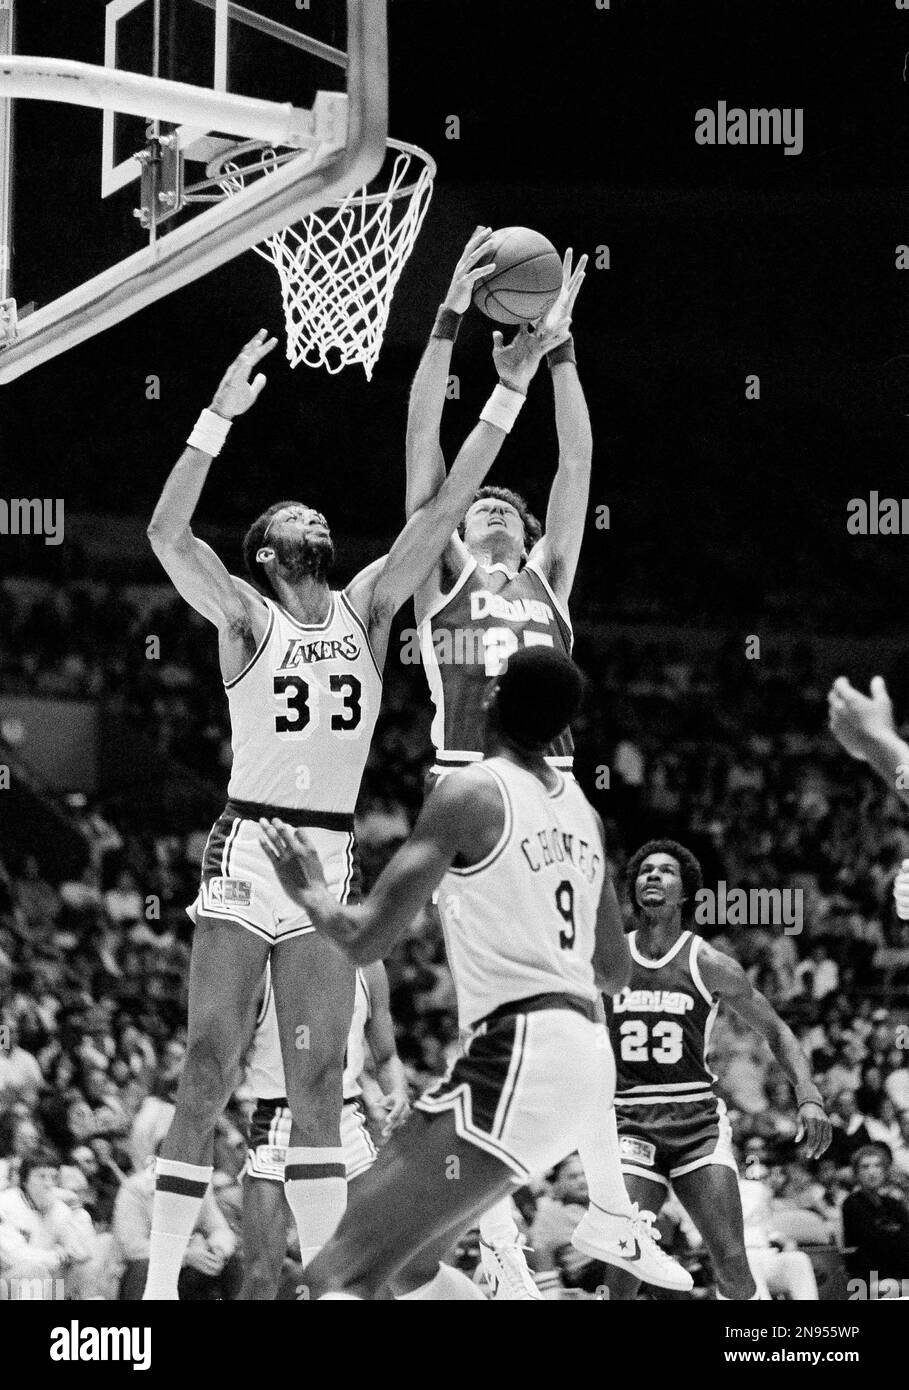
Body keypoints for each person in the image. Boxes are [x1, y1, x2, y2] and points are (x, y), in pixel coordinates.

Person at [141, 298, 566, 1298]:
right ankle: (156, 1294)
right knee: (207, 1065)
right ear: (264, 551)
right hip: (247, 848)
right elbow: (166, 530)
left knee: (322, 1086)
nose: (309, 515)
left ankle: (336, 1287)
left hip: (329, 862)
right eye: (289, 518)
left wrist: (507, 383)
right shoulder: (243, 617)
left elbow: (448, 503)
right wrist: (216, 416)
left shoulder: (373, 602)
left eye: (315, 514)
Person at [403, 233, 677, 1297]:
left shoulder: (551, 580)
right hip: (474, 791)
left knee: (583, 1007)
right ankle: (508, 1228)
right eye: (477, 510)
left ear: (522, 532)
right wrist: (450, 318)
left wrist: (561, 349)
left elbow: (578, 468)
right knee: (511, 1019)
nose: (486, 512)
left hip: (556, 791)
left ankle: (604, 1214)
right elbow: (427, 433)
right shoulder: (442, 580)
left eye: (499, 511)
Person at [258, 648, 688, 1299]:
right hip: (581, 1063)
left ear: (489, 702)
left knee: (334, 1272)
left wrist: (311, 892)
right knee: (406, 1267)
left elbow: (364, 935)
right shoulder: (584, 813)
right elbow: (612, 970)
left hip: (520, 1056)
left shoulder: (467, 792)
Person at [602, 839, 832, 1301]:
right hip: (628, 1121)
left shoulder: (708, 963)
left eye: (665, 871)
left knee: (732, 1262)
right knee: (623, 1263)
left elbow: (778, 1032)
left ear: (685, 891)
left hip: (696, 1124)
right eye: (645, 870)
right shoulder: (608, 959)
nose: (652, 876)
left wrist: (808, 1094)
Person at [239, 959, 413, 1300]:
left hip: (344, 1119)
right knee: (262, 1272)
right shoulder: (262, 962)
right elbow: (232, 1050)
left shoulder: (369, 967)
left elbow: (388, 1055)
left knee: (380, 1266)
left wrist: (398, 1092)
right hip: (279, 1120)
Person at [842, 1145, 909, 1297]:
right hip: (871, 1276)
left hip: (901, 1271)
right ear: (857, 1174)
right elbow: (871, 1241)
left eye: (877, 1165)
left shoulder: (893, 1203)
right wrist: (896, 1235)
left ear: (885, 1171)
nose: (872, 1172)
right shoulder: (852, 1203)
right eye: (865, 1167)